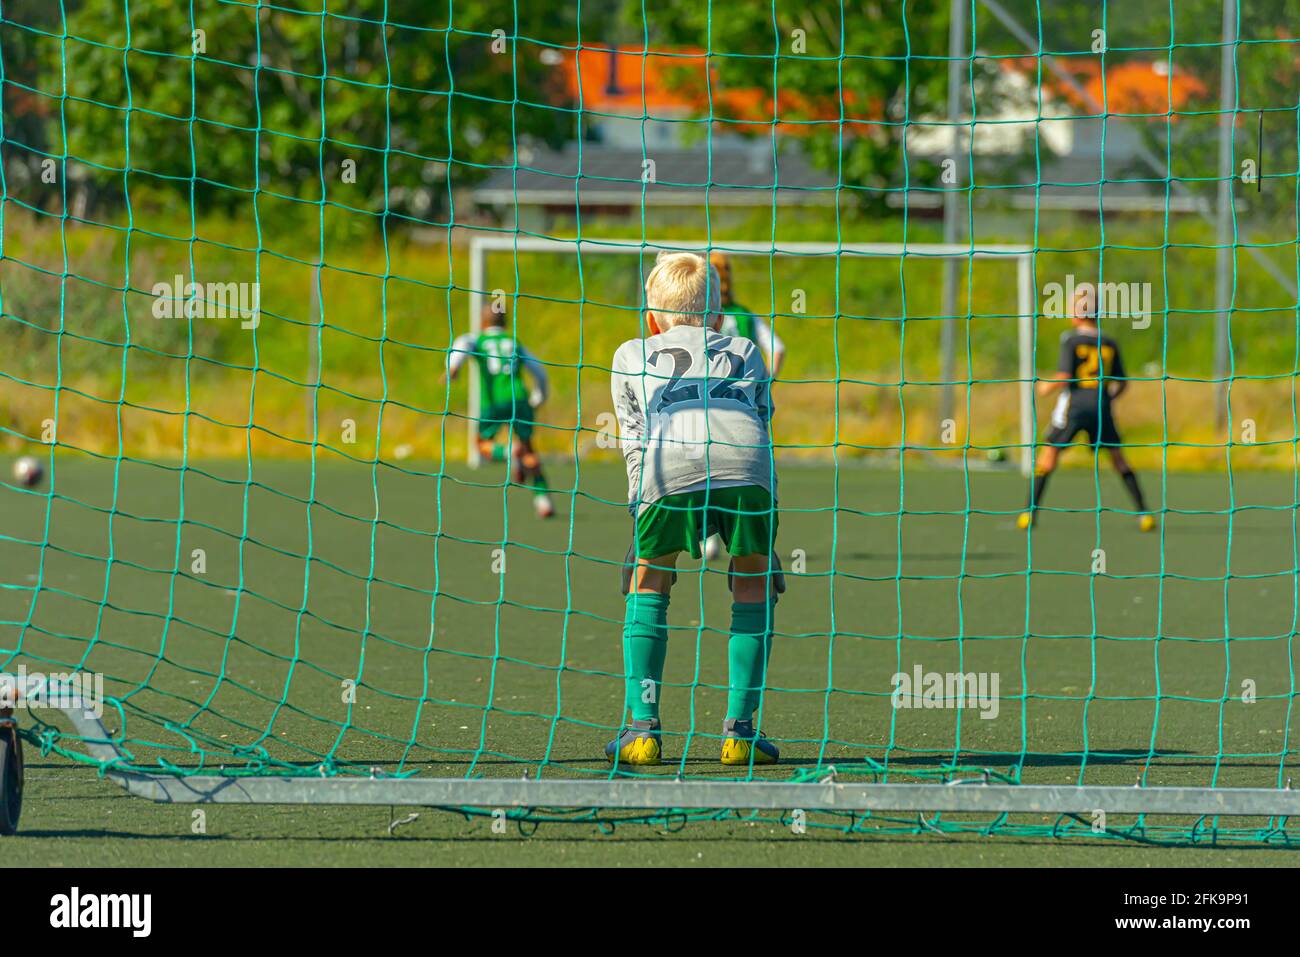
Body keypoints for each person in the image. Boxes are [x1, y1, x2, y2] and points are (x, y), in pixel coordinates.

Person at [606, 252, 781, 766]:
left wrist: (642, 515)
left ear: (652, 318)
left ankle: (642, 729)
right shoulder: (747, 348)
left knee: (650, 577)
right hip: (747, 465)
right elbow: (762, 425)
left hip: (669, 462)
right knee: (753, 578)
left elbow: (633, 438)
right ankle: (740, 735)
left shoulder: (630, 352)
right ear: (720, 318)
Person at [1019, 285, 1155, 531]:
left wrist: (1043, 387)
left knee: (1048, 454)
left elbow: (1064, 376)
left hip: (1075, 406)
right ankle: (1144, 513)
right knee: (1118, 459)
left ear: (1079, 313)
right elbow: (1122, 383)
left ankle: (1029, 513)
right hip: (1101, 407)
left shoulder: (1071, 339)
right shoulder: (1109, 342)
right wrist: (1107, 399)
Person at [700, 251, 787, 561]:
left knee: (708, 468)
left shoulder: (700, 317)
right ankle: (750, 538)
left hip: (708, 408)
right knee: (750, 471)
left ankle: (709, 536)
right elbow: (778, 348)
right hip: (747, 409)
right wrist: (765, 382)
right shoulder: (746, 315)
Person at [443, 304, 554, 518]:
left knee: (482, 445)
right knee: (529, 450)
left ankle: (509, 452)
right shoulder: (514, 343)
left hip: (493, 402)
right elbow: (539, 370)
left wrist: (453, 366)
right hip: (519, 398)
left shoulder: (479, 340)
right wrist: (539, 396)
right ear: (505, 323)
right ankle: (544, 501)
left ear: (483, 322)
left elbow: (462, 344)